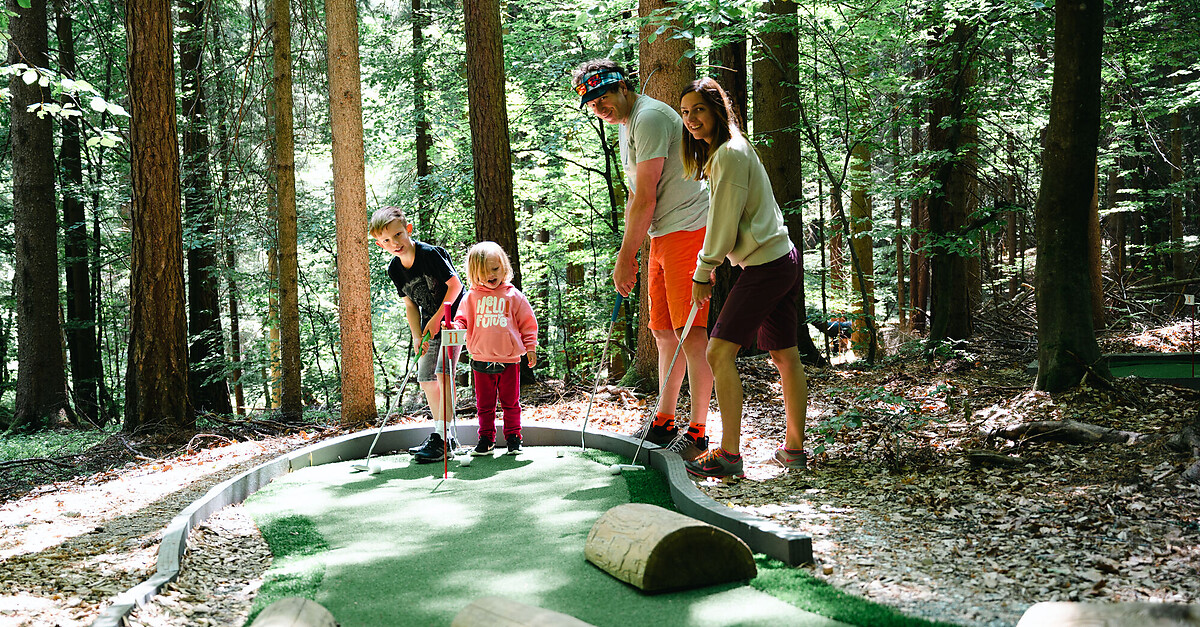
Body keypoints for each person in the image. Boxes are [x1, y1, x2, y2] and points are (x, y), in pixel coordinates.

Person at [571, 59, 714, 461]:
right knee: (664, 332)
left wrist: (625, 257)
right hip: (662, 234)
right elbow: (637, 194)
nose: (601, 108)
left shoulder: (649, 118)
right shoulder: (625, 123)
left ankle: (699, 430)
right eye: (593, 105)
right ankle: (665, 419)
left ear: (623, 88)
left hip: (687, 230)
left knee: (692, 334)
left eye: (604, 98)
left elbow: (647, 196)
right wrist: (634, 250)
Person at [677, 77, 809, 479]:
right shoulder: (729, 151)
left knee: (718, 352)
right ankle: (794, 450)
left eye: (698, 109)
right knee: (785, 355)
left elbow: (723, 222)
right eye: (685, 113)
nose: (691, 119)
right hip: (778, 259)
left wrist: (704, 269)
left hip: (768, 265)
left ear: (717, 109)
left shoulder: (728, 155)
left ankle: (730, 456)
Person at [369, 206, 464, 464]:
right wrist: (416, 335)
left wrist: (437, 320)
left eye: (398, 235)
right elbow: (410, 304)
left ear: (408, 230)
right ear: (380, 244)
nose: (394, 243)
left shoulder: (430, 255)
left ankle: (444, 438)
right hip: (430, 324)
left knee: (444, 375)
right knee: (425, 379)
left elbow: (456, 286)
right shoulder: (395, 270)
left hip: (454, 321)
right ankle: (443, 435)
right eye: (386, 241)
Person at [452, 242, 538, 457]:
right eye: (483, 272)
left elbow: (527, 323)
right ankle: (486, 438)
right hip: (481, 358)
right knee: (485, 404)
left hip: (509, 359)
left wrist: (530, 347)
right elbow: (461, 321)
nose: (491, 275)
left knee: (511, 402)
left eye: (495, 269)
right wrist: (453, 327)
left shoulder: (513, 295)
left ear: (504, 267)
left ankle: (513, 437)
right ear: (474, 273)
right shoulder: (470, 297)